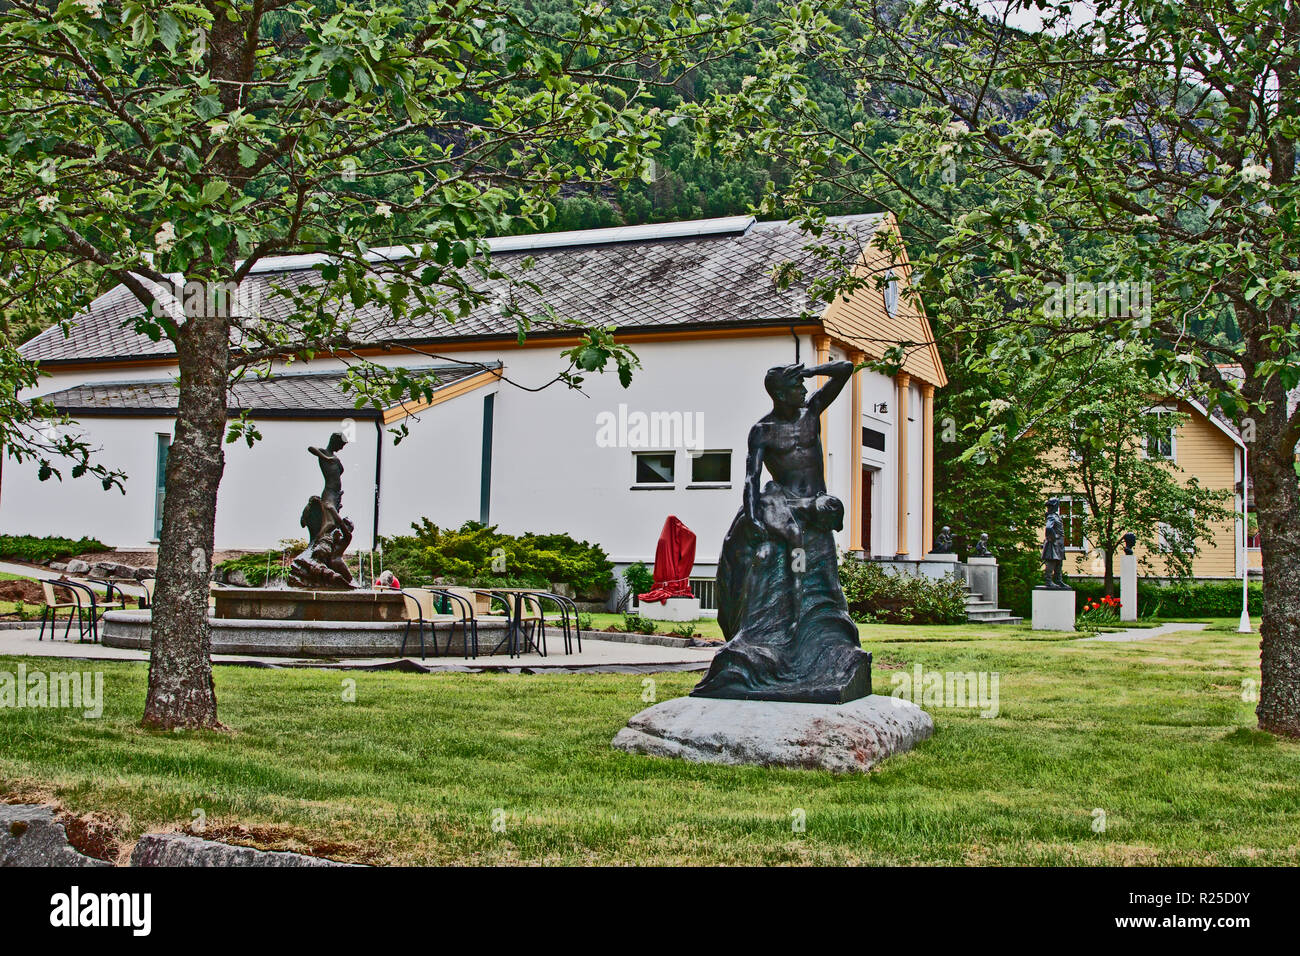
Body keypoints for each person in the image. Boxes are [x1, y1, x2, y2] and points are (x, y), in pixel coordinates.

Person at [692, 361, 871, 704]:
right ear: (779, 393)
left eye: (804, 385)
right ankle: (779, 641)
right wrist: (755, 517)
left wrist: (811, 370)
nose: (804, 391)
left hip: (816, 510)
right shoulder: (764, 430)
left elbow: (846, 368)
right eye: (797, 386)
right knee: (790, 570)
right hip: (785, 509)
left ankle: (826, 646)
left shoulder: (811, 412)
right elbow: (750, 478)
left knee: (826, 583)